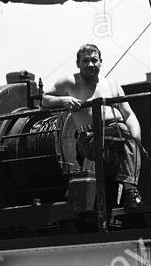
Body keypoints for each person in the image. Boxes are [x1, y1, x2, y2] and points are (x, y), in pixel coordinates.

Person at [44, 43, 144, 209]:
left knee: (135, 148)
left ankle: (143, 209)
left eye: (94, 60)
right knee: (127, 142)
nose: (90, 64)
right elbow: (45, 99)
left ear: (100, 62)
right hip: (91, 137)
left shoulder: (113, 85)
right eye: (85, 61)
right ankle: (131, 195)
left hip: (119, 134)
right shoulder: (69, 82)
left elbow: (129, 114)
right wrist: (63, 100)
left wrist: (137, 138)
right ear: (78, 63)